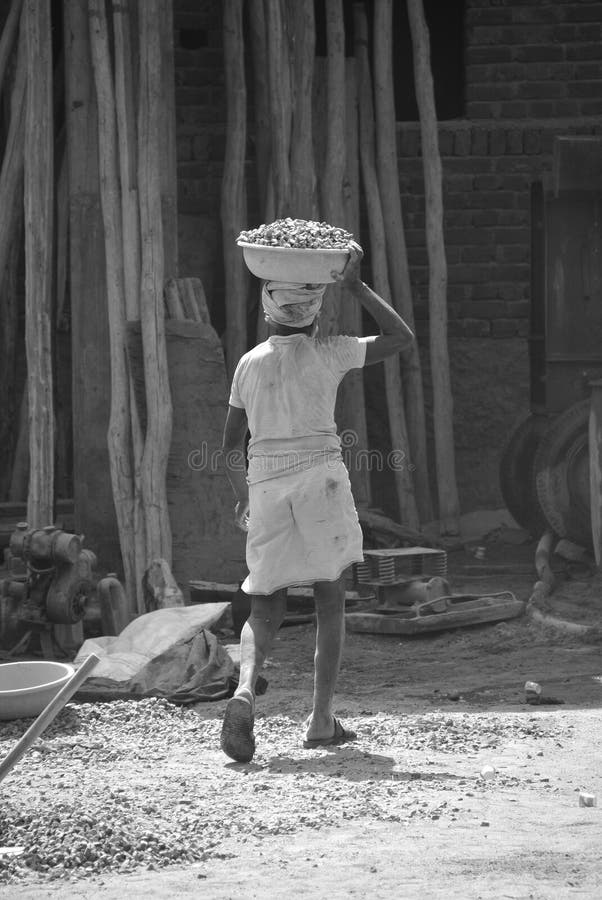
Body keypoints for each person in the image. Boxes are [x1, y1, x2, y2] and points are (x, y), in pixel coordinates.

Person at [220, 241, 414, 762]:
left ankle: (243, 691)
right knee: (330, 599)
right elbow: (402, 338)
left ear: (267, 308)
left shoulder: (247, 365)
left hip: (265, 484)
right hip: (320, 481)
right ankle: (321, 720)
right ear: (316, 311)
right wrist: (357, 286)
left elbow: (229, 446)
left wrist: (243, 497)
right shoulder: (333, 350)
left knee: (265, 605)